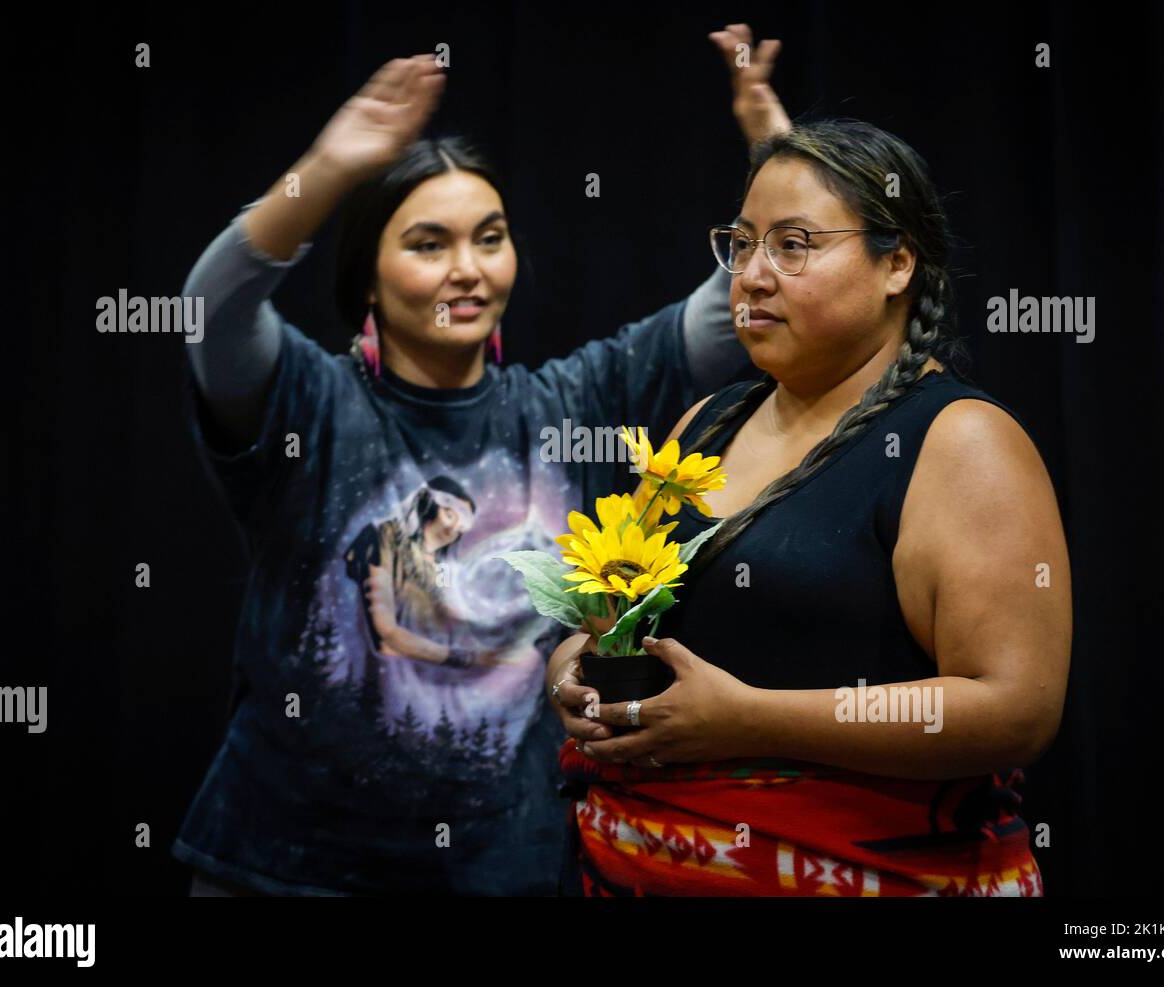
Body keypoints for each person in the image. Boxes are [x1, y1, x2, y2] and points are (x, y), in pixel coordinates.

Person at [175, 28, 788, 895]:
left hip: (507, 870)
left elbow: (744, 300)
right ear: (371, 278)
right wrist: (329, 163)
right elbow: (210, 309)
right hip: (282, 869)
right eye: (428, 244)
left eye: (489, 236)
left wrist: (774, 149)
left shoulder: (574, 403)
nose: (467, 269)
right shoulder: (309, 402)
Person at [547, 117, 1072, 896]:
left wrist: (749, 717)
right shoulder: (706, 423)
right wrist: (572, 676)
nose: (752, 276)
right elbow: (607, 617)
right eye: (743, 242)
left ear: (896, 263)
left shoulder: (963, 442)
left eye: (793, 246)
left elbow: (1012, 708)